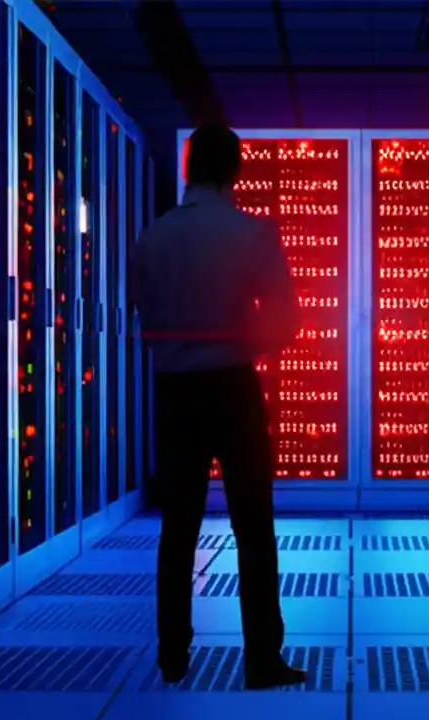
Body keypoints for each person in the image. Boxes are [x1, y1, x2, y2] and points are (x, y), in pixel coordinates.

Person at [131, 124, 306, 690]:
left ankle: (173, 656)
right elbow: (286, 320)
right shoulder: (251, 233)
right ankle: (261, 658)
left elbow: (145, 317)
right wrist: (237, 340)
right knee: (253, 525)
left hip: (175, 392)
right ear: (236, 171)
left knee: (178, 527)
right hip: (233, 387)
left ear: (187, 168)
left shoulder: (151, 237)